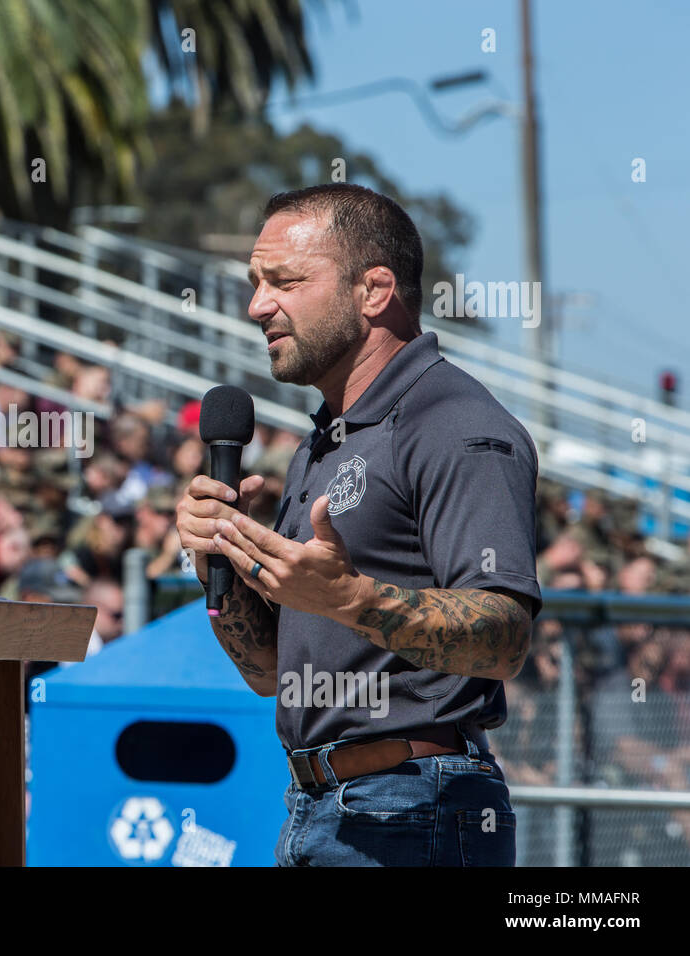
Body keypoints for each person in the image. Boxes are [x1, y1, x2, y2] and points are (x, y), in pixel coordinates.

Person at [175, 184, 540, 867]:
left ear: (373, 291)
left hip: (412, 810)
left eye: (284, 281)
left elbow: (504, 639)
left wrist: (346, 598)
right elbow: (267, 672)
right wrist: (218, 552)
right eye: (256, 284)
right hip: (320, 806)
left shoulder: (456, 424)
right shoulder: (324, 442)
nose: (258, 306)